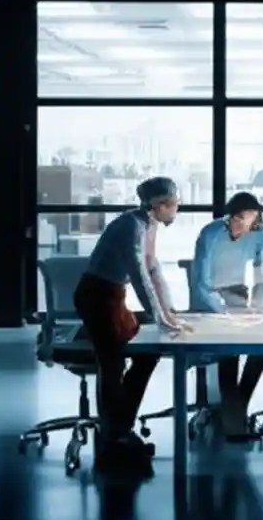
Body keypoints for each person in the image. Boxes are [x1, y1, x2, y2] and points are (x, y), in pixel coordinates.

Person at [74, 177, 192, 467]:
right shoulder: (130, 226)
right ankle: (114, 436)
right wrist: (159, 317)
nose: (176, 209)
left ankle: (119, 427)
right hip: (97, 296)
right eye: (174, 204)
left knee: (145, 353)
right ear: (158, 205)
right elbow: (139, 276)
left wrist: (168, 310)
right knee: (112, 364)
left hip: (113, 297)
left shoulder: (147, 224)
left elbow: (153, 269)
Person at [189, 191, 263, 440]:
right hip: (209, 297)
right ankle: (234, 424)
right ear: (233, 217)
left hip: (238, 295)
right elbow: (200, 282)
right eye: (246, 219)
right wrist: (222, 310)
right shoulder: (211, 233)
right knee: (229, 352)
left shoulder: (258, 235)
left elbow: (262, 271)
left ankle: (234, 409)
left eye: (254, 219)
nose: (250, 224)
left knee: (262, 349)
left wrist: (260, 303)